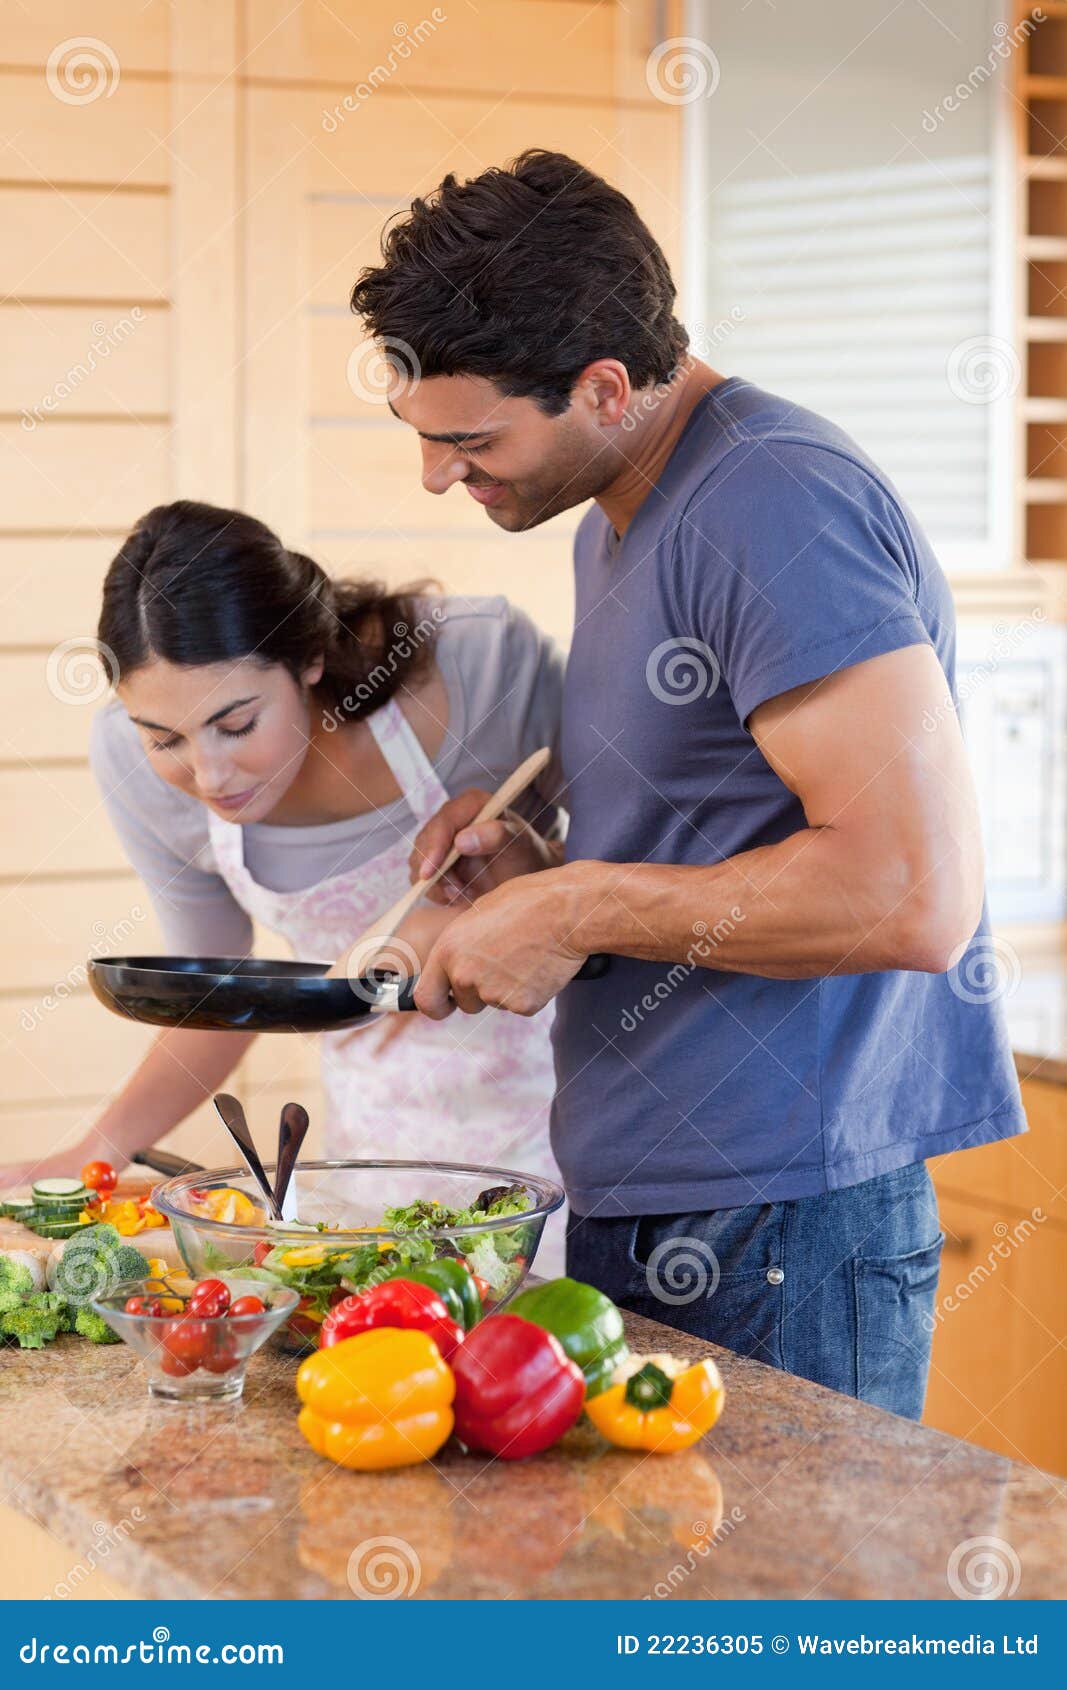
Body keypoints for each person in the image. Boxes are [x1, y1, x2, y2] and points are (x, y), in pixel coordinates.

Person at [348, 148, 1027, 1419]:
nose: (438, 476)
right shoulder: (625, 505)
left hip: (779, 1221)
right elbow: (724, 835)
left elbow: (908, 891)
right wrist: (534, 870)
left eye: (469, 440)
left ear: (603, 385)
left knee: (782, 1626)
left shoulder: (768, 501)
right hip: (683, 1201)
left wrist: (573, 912)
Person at [6, 501, 569, 1272]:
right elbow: (219, 996)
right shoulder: (131, 762)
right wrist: (97, 1153)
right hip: (371, 1151)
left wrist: (502, 899)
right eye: (165, 738)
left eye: (236, 725)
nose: (208, 775)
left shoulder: (484, 663)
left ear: (307, 658)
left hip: (561, 1134)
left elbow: (636, 868)